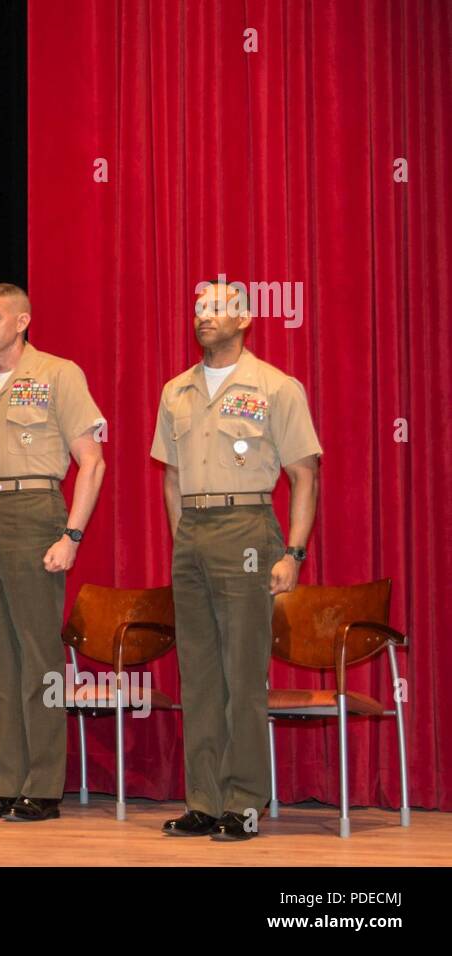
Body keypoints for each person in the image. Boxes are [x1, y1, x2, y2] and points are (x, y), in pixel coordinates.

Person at [152, 279, 321, 841]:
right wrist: (182, 539)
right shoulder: (176, 390)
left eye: (218, 309)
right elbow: (172, 477)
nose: (203, 316)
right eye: (197, 308)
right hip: (193, 532)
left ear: (245, 318)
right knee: (198, 676)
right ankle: (203, 799)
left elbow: (304, 475)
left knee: (242, 675)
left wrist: (292, 551)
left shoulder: (275, 386)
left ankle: (245, 801)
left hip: (248, 524)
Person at [0, 283, 106, 823]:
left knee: (37, 655)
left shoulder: (58, 374)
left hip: (36, 509)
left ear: (22, 321)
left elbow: (93, 461)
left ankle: (41, 787)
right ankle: (4, 783)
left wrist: (71, 535)